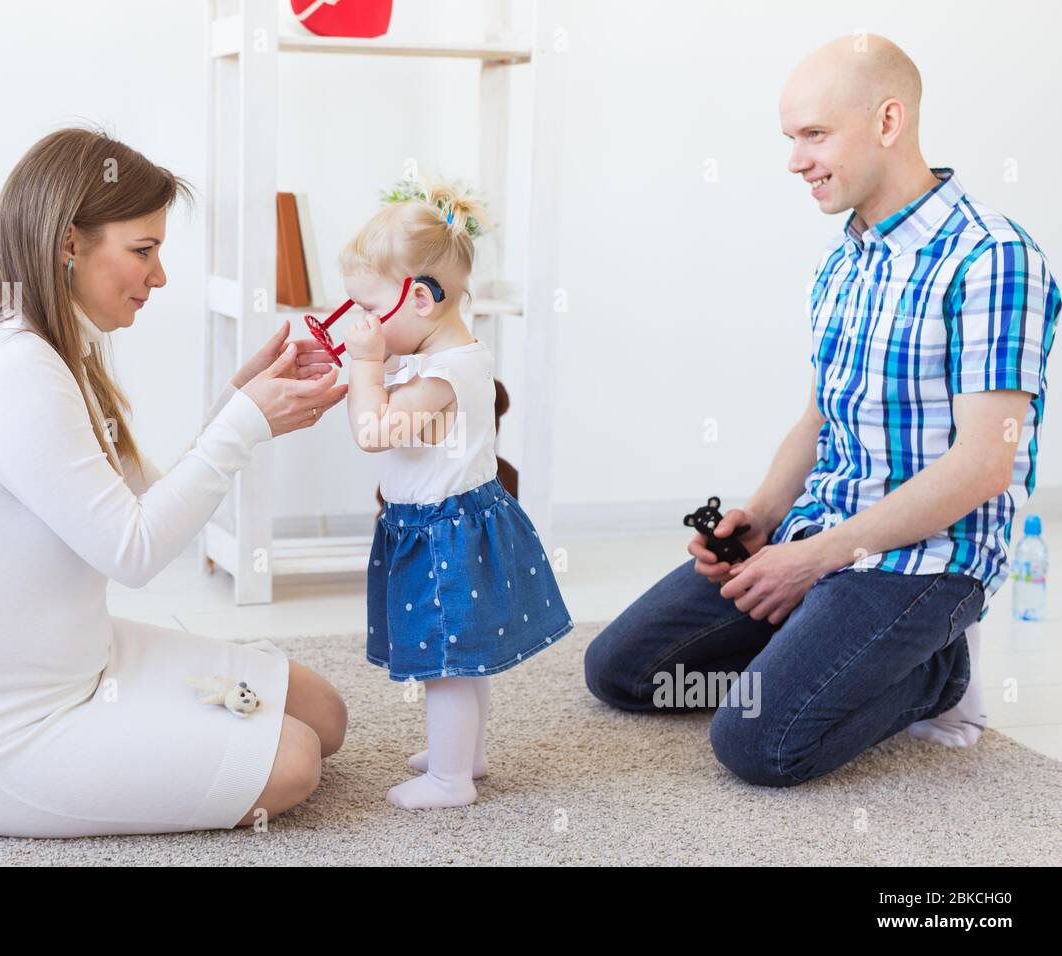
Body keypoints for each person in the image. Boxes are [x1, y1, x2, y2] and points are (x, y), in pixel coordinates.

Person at [584, 35, 1059, 785]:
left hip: (926, 562)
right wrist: (766, 518)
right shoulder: (845, 258)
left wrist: (814, 560)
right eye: (791, 138)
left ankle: (938, 673)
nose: (795, 160)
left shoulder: (992, 258)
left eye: (814, 134)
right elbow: (817, 418)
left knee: (759, 744)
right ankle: (819, 654)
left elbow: (983, 465)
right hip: (822, 529)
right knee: (620, 672)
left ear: (888, 121)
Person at [0, 127, 348, 835]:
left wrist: (237, 409)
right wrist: (244, 426)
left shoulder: (58, 351)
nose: (159, 276)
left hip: (87, 659)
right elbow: (132, 553)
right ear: (69, 243)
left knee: (324, 713)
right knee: (294, 759)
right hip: (2, 738)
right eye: (144, 250)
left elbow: (143, 505)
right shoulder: (14, 370)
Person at [339, 179, 574, 809]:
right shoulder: (449, 354)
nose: (358, 323)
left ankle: (450, 779)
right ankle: (463, 752)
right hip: (455, 522)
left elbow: (373, 431)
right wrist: (367, 364)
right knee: (462, 655)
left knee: (444, 659)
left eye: (367, 306)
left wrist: (364, 366)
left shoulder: (441, 375)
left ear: (417, 299)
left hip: (441, 533)